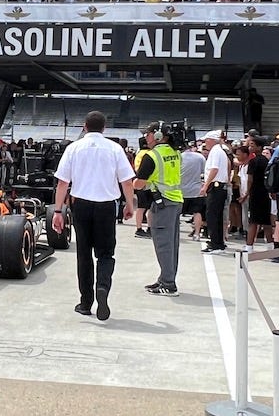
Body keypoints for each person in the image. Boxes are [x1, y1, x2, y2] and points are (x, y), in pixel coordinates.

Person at [51, 111, 136, 321]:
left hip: (81, 205)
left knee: (84, 253)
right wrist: (129, 204)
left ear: (84, 127)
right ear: (104, 128)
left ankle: (85, 302)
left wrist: (58, 210)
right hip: (106, 206)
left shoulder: (74, 148)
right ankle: (103, 288)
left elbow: (63, 182)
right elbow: (126, 181)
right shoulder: (115, 149)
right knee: (106, 253)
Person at [134, 122, 183, 297]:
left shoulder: (152, 156)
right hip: (175, 200)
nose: (145, 137)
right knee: (172, 243)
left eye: (148, 134)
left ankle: (168, 283)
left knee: (163, 245)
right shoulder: (175, 152)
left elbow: (138, 184)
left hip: (163, 203)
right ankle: (165, 278)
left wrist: (146, 184)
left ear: (157, 136)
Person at [200, 130, 230, 254]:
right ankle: (218, 242)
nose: (205, 143)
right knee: (217, 215)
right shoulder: (220, 151)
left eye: (206, 140)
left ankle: (215, 243)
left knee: (212, 215)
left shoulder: (215, 151)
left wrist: (205, 185)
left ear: (211, 140)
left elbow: (214, 169)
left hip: (216, 186)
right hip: (220, 186)